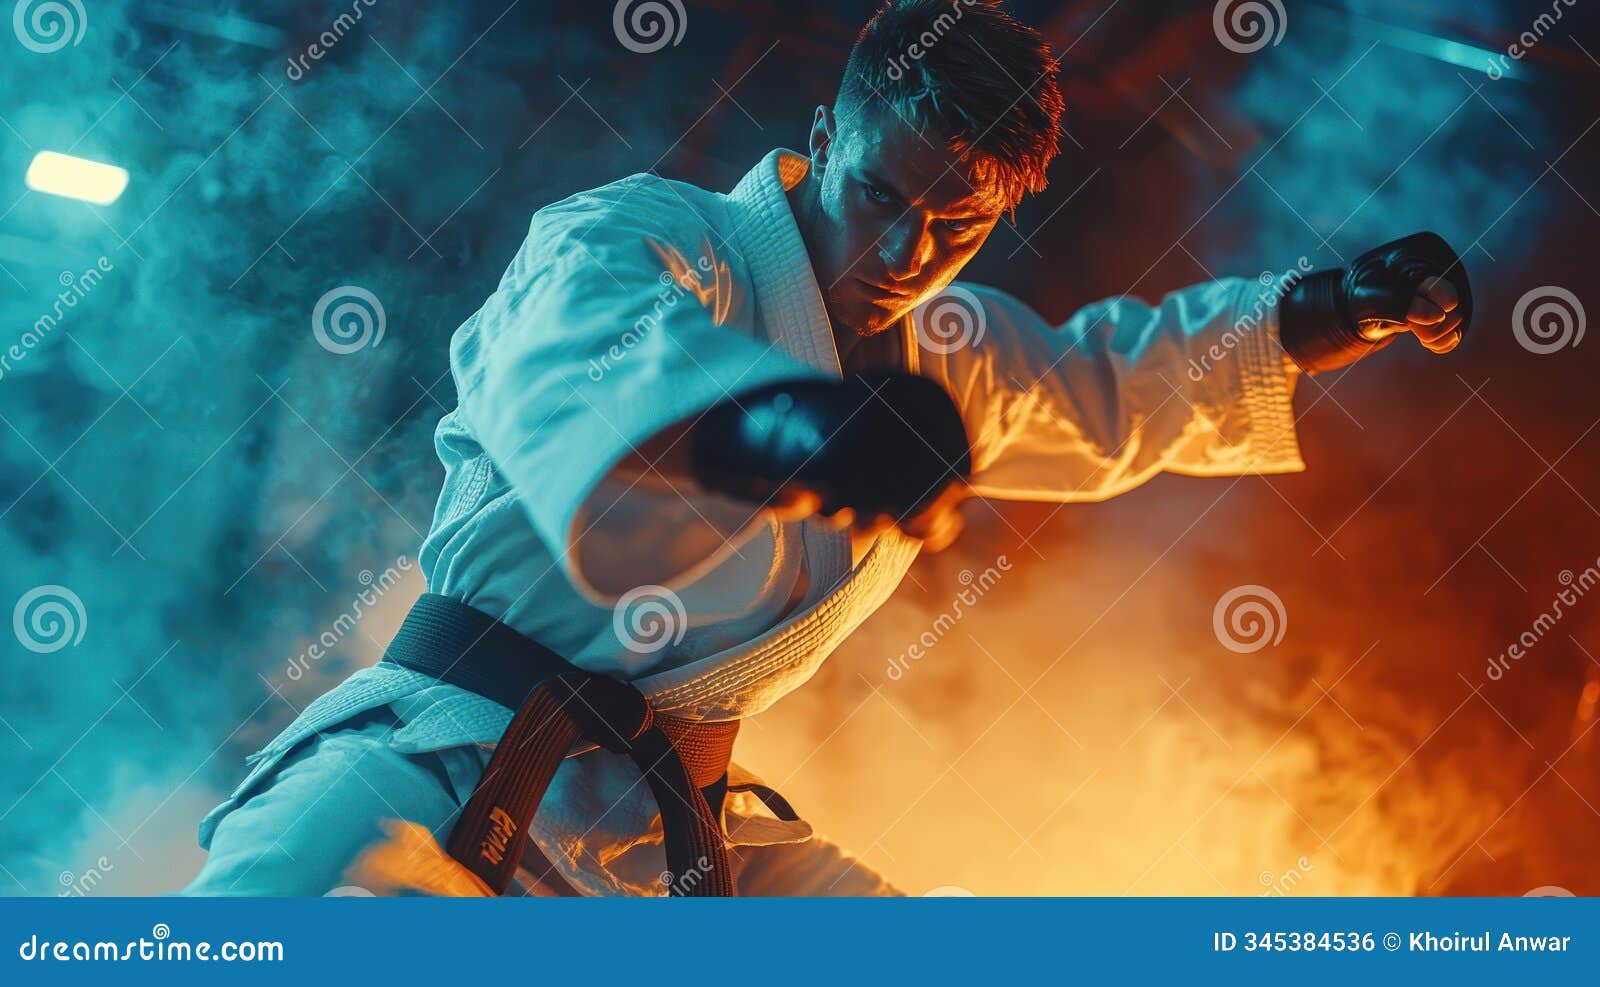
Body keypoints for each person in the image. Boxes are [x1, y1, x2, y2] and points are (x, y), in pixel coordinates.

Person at [182, 0, 1467, 897]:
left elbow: (1107, 385)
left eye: (956, 225)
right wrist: (793, 433)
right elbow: (582, 371)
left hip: (667, 837)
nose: (908, 250)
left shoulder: (946, 352)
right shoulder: (643, 237)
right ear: (823, 136)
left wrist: (1326, 312)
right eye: (881, 193)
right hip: (440, 764)